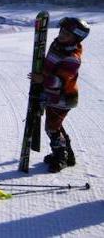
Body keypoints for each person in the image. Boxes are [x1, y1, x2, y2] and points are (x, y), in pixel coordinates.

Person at [29, 17, 89, 173]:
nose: (62, 35)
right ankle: (68, 156)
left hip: (63, 98)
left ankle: (60, 157)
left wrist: (42, 79)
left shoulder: (72, 59)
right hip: (52, 96)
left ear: (75, 38)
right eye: (62, 31)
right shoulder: (57, 45)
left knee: (52, 128)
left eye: (67, 34)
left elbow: (60, 82)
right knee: (56, 125)